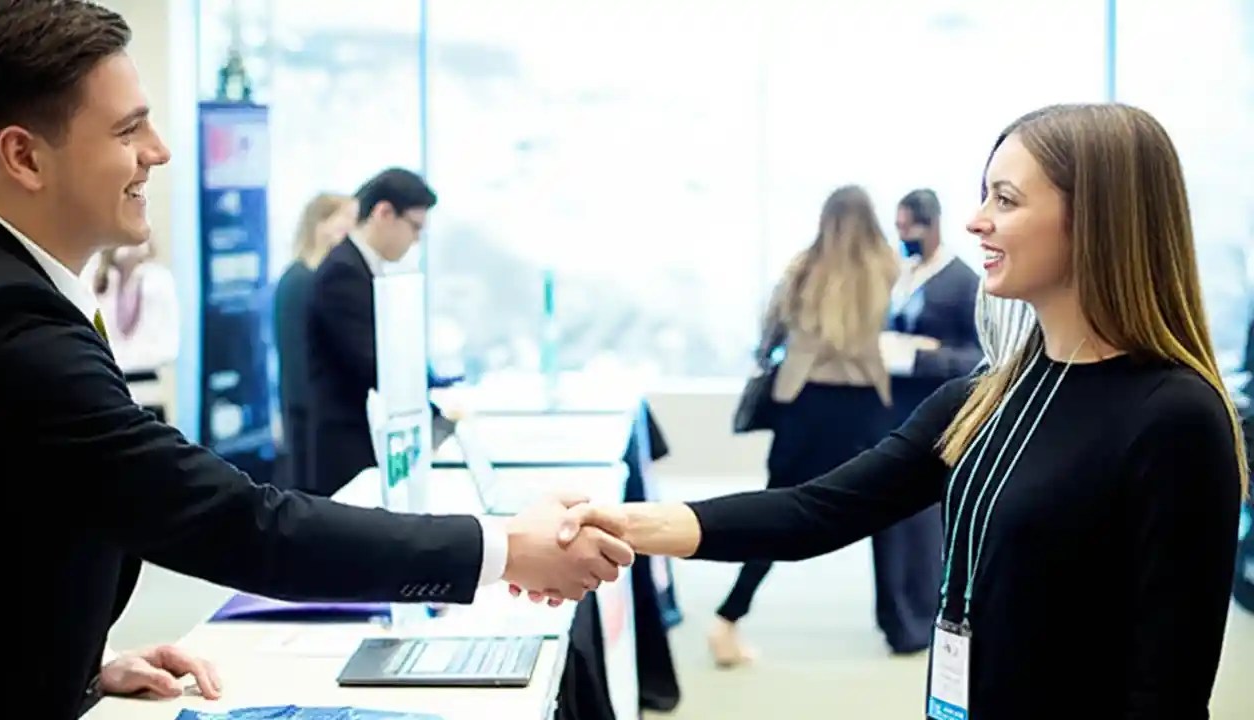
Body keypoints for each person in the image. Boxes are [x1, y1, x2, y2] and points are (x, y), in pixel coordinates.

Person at [0, 3, 631, 718]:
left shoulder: (13, 292)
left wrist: (85, 665)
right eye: (129, 129)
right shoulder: (8, 320)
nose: (159, 151)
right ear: (25, 157)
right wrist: (502, 549)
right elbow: (232, 522)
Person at [534, 103, 1249, 718]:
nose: (976, 222)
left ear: (1093, 218)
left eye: (1005, 199)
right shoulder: (982, 399)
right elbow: (818, 510)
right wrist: (627, 522)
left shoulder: (1175, 417)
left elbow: (1170, 689)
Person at [710, 185, 900, 666]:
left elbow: (771, 329)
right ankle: (907, 619)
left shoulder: (802, 269)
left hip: (804, 405)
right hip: (863, 405)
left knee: (779, 510)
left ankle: (728, 619)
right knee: (892, 509)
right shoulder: (887, 268)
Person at [874, 188, 985, 654]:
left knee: (923, 522)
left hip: (935, 413)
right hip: (888, 410)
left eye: (911, 228)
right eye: (898, 228)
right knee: (884, 516)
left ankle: (921, 619)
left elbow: (978, 356)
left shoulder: (963, 281)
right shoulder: (897, 276)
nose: (905, 237)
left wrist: (923, 357)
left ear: (934, 224)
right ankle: (893, 617)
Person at [306, 167, 435, 497]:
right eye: (414, 228)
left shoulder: (362, 268)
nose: (416, 240)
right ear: (384, 213)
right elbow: (371, 362)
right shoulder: (342, 272)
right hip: (348, 448)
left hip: (366, 440)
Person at [274, 192, 356, 491]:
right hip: (305, 415)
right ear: (320, 224)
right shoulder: (298, 280)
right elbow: (296, 359)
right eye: (344, 220)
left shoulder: (318, 278)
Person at [83, 240, 179, 421]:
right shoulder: (97, 279)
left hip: (148, 391)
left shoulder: (158, 280)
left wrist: (124, 358)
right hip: (107, 393)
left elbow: (169, 348)